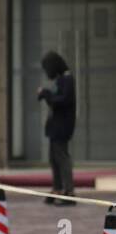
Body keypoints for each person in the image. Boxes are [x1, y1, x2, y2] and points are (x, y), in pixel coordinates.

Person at [38, 50, 77, 206]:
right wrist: (47, 95)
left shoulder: (67, 79)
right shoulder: (61, 79)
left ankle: (69, 191)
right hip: (56, 126)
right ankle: (57, 188)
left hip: (62, 126)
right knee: (54, 159)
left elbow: (63, 100)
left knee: (62, 158)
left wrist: (46, 94)